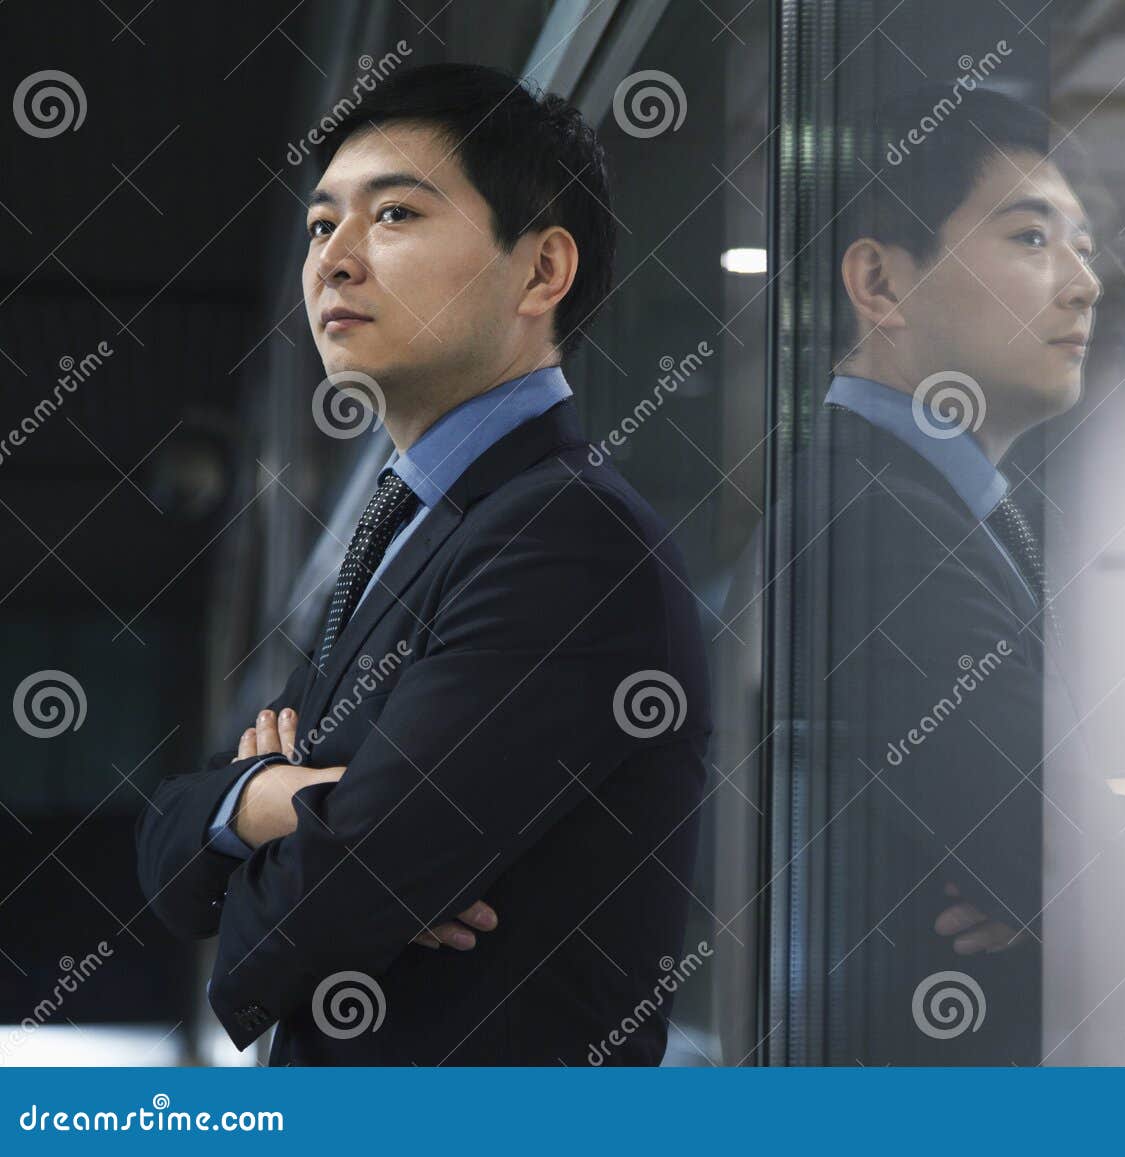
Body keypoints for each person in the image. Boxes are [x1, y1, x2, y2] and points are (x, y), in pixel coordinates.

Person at [134, 63, 710, 1066]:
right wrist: (270, 801)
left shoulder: (566, 539)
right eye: (322, 226)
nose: (334, 263)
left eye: (393, 215)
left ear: (541, 272)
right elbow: (165, 851)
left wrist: (282, 813)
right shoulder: (421, 520)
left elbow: (339, 889)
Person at [804, 86, 1125, 1063]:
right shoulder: (879, 526)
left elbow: (1065, 874)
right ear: (882, 285)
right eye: (1031, 239)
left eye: (1083, 247)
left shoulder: (927, 507)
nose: (1082, 285)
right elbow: (1082, 885)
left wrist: (1112, 837)